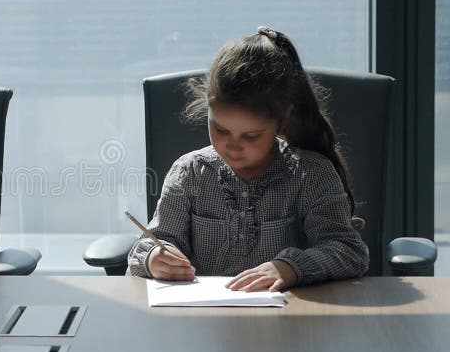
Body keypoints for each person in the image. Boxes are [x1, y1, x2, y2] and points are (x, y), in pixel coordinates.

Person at [128, 26, 369, 291]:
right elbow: (154, 241)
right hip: (203, 321)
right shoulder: (190, 173)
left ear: (283, 120)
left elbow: (348, 251)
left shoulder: (310, 174)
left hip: (289, 321)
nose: (233, 146)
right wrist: (155, 257)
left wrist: (291, 267)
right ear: (208, 105)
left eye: (252, 136)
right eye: (220, 129)